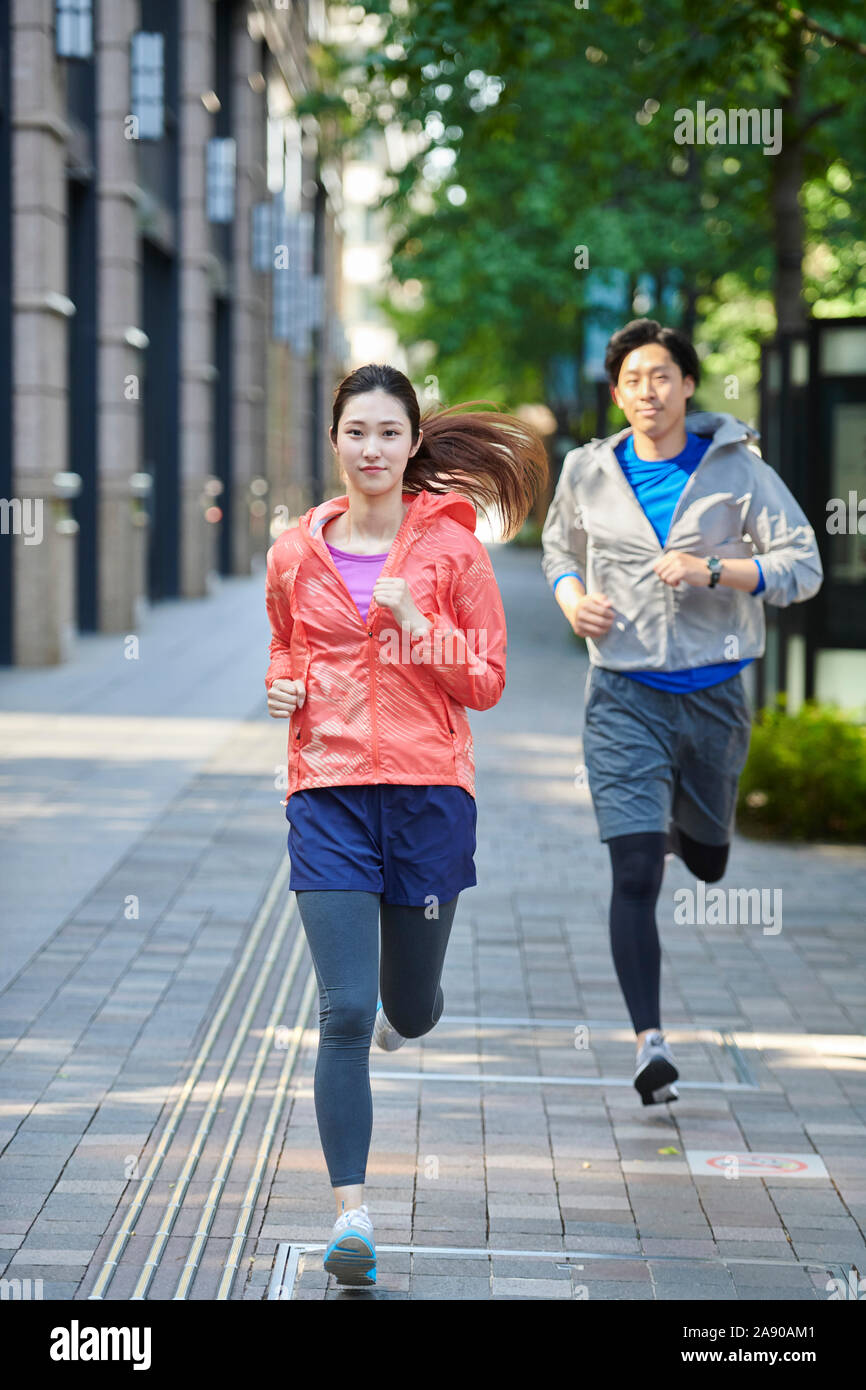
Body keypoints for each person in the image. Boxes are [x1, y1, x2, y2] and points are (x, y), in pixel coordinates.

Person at [265, 363, 547, 1286]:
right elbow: (284, 642)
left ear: (412, 442)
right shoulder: (293, 552)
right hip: (328, 794)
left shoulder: (454, 554)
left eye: (390, 433)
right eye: (358, 432)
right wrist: (283, 686)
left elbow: (489, 682)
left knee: (409, 1012)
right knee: (342, 1011)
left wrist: (420, 621)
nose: (373, 448)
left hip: (429, 796)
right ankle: (353, 1218)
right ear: (335, 440)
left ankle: (407, 1014)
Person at [541, 318, 823, 1106]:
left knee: (705, 862)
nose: (647, 393)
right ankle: (649, 1044)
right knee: (633, 868)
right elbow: (560, 551)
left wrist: (713, 569)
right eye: (632, 380)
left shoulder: (737, 469)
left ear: (688, 384)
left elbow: (805, 566)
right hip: (622, 697)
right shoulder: (588, 470)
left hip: (713, 697)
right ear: (616, 392)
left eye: (661, 376)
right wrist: (571, 601)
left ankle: (684, 824)